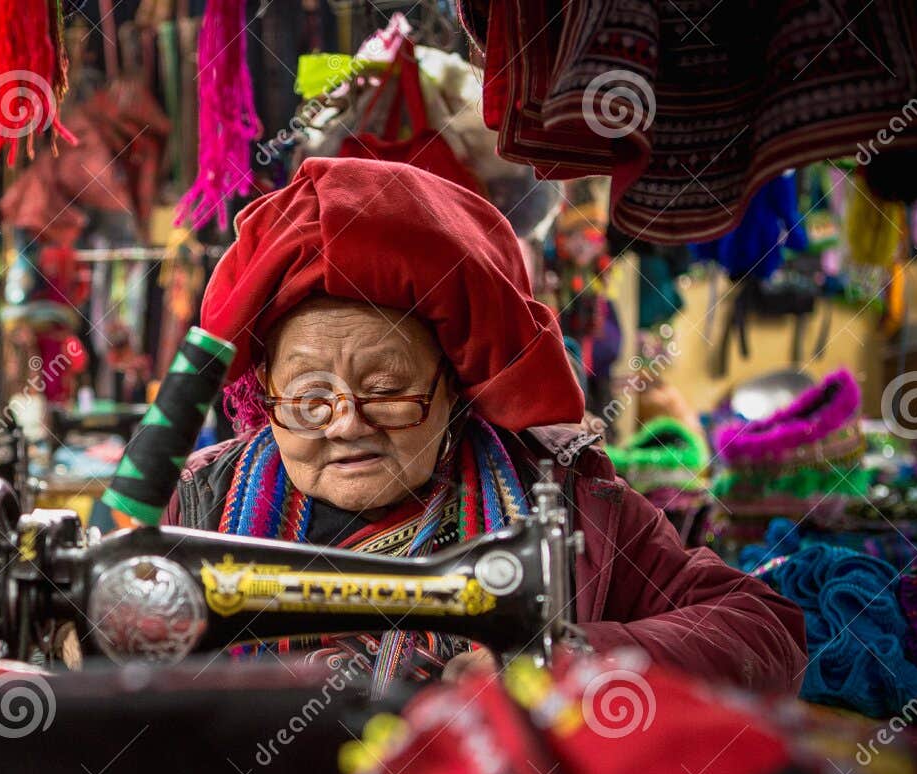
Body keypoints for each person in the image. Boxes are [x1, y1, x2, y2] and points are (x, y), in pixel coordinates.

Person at [163, 157, 805, 691]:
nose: (345, 424)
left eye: (387, 390)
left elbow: (762, 628)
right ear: (265, 390)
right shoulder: (201, 502)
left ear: (456, 387)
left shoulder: (568, 501)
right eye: (306, 398)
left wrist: (561, 663)